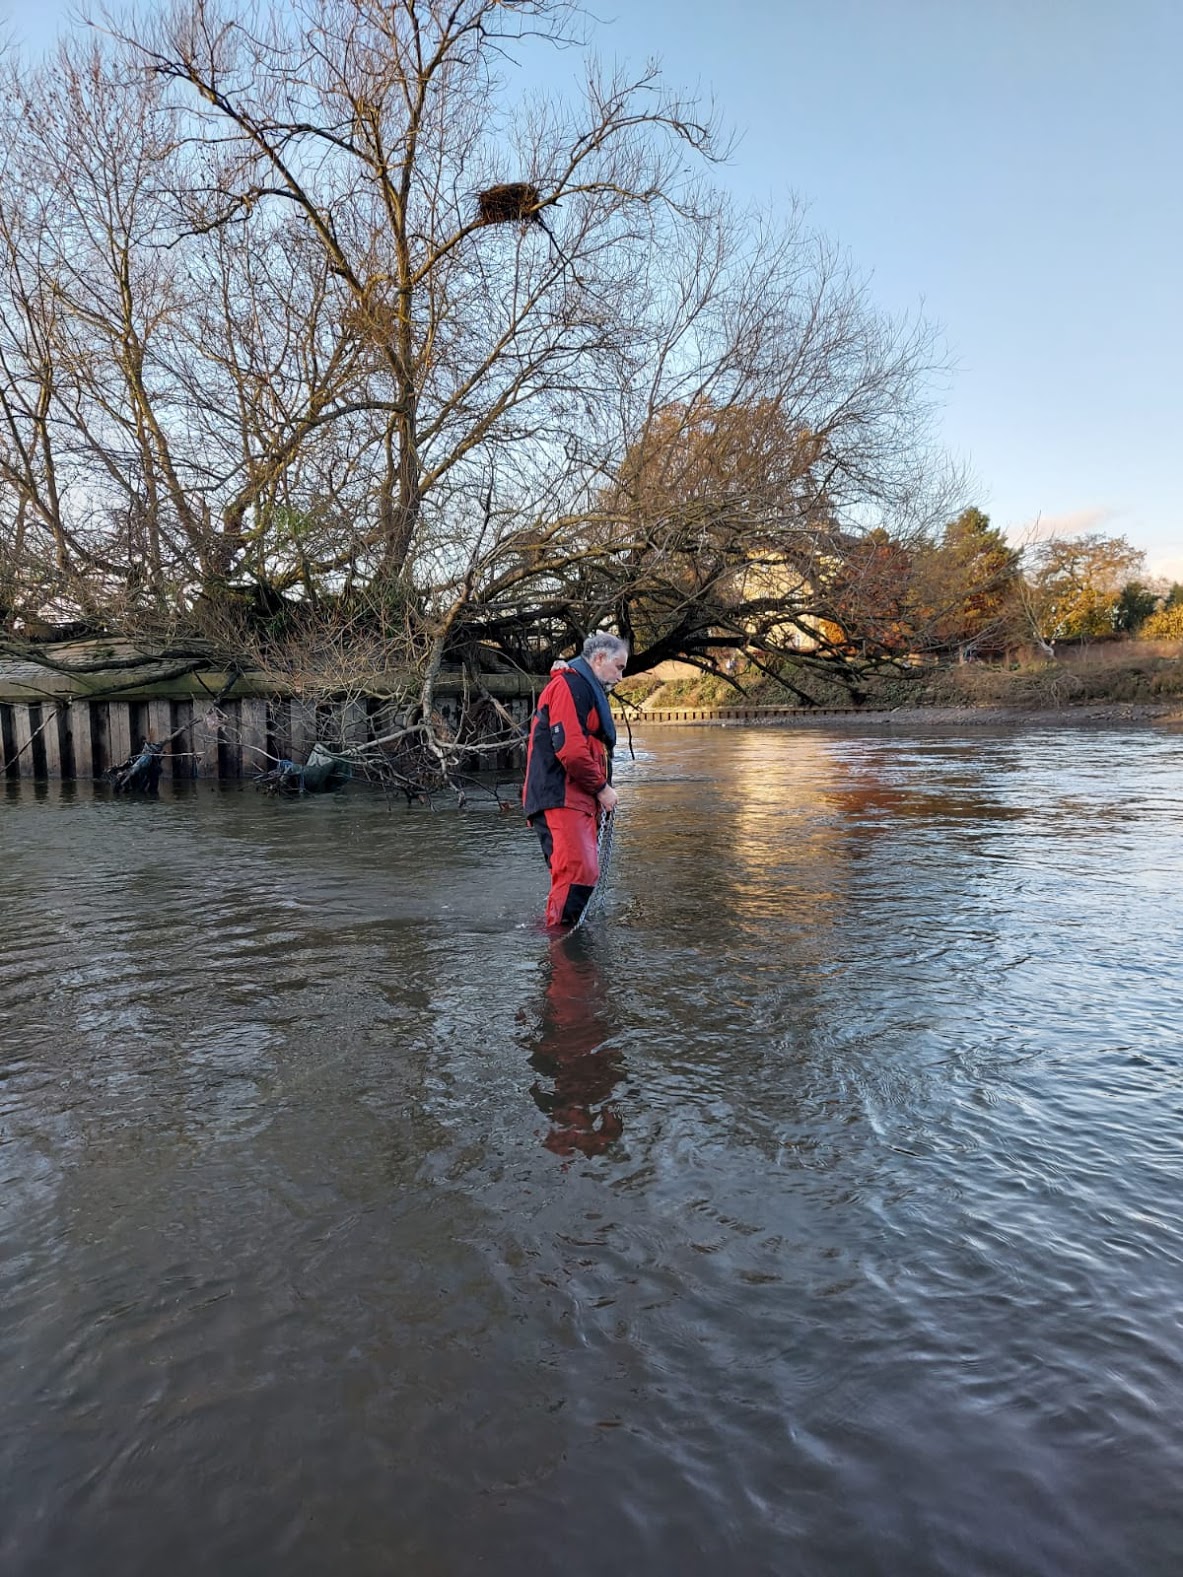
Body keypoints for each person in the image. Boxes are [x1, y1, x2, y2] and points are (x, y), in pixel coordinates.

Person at [522, 631, 628, 928]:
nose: (621, 677)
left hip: (573, 798)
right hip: (561, 797)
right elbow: (570, 748)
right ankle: (561, 950)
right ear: (599, 658)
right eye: (619, 667)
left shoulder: (579, 687)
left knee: (578, 874)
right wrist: (602, 788)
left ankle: (560, 939)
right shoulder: (570, 686)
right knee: (577, 873)